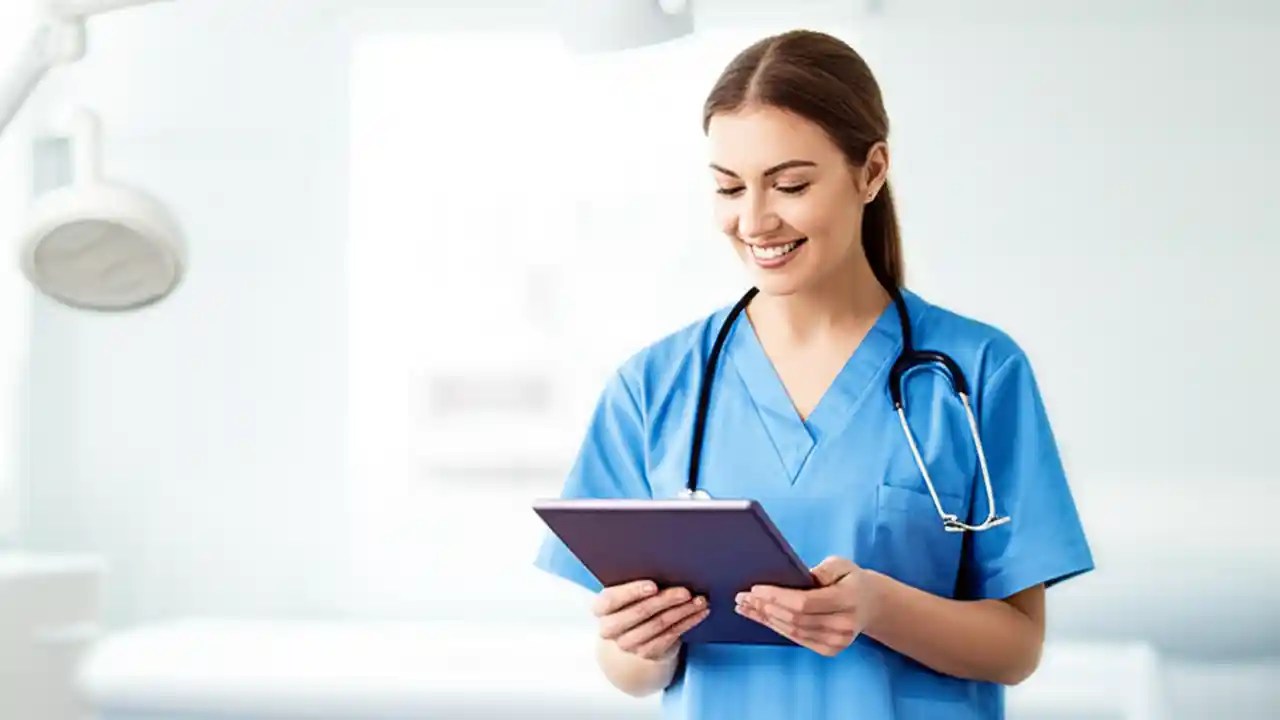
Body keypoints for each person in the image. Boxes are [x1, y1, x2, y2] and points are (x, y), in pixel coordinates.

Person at [533, 28, 1094, 719]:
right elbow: (629, 670)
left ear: (871, 171)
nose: (755, 220)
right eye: (729, 188)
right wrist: (641, 645)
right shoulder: (654, 387)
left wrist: (876, 606)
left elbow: (1017, 647)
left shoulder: (976, 374)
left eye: (791, 184)